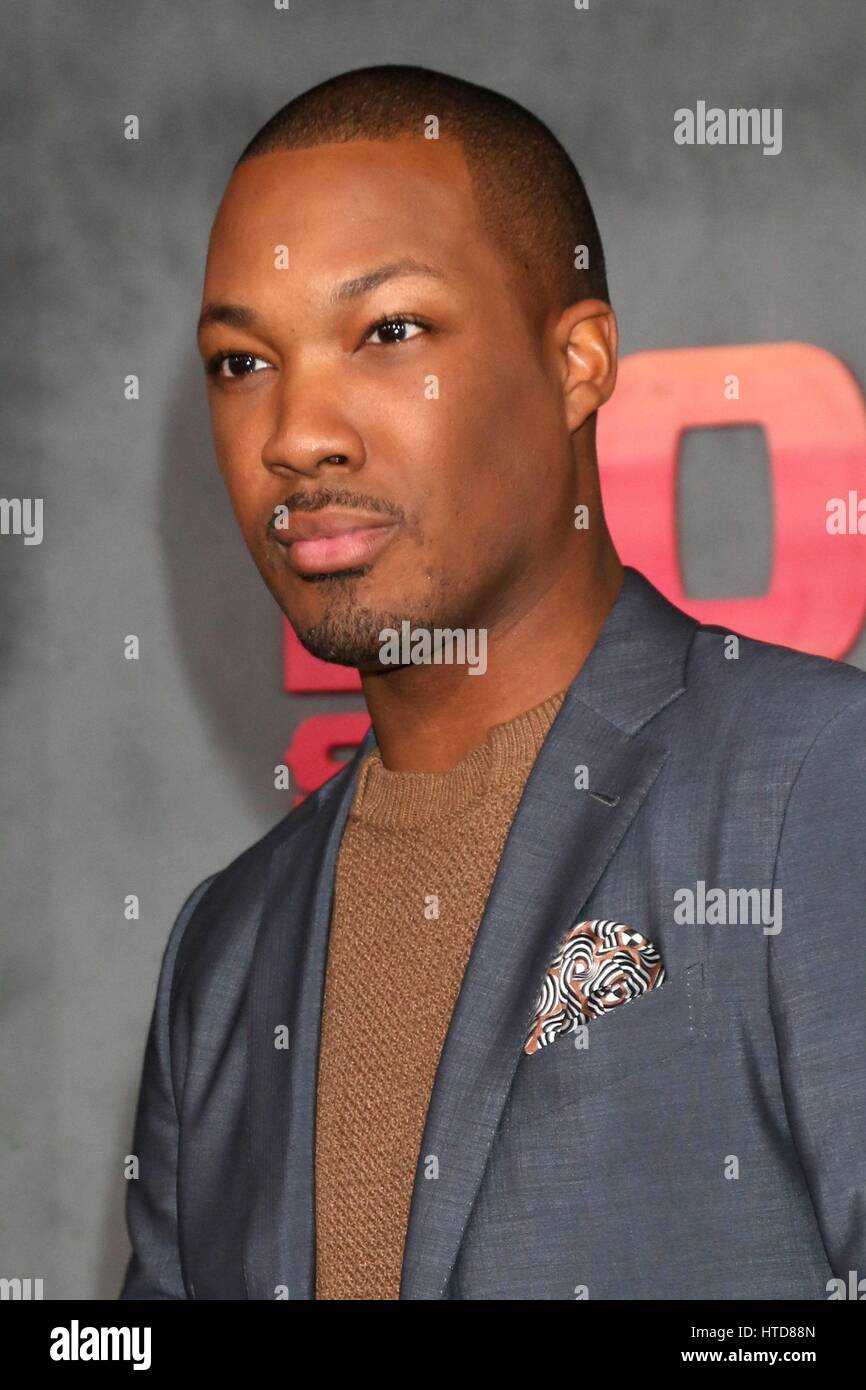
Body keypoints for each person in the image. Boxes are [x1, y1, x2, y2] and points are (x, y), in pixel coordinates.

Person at [120, 65, 866, 1301]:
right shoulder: (225, 946)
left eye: (388, 332)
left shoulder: (817, 794)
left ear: (577, 360)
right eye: (241, 361)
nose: (297, 431)